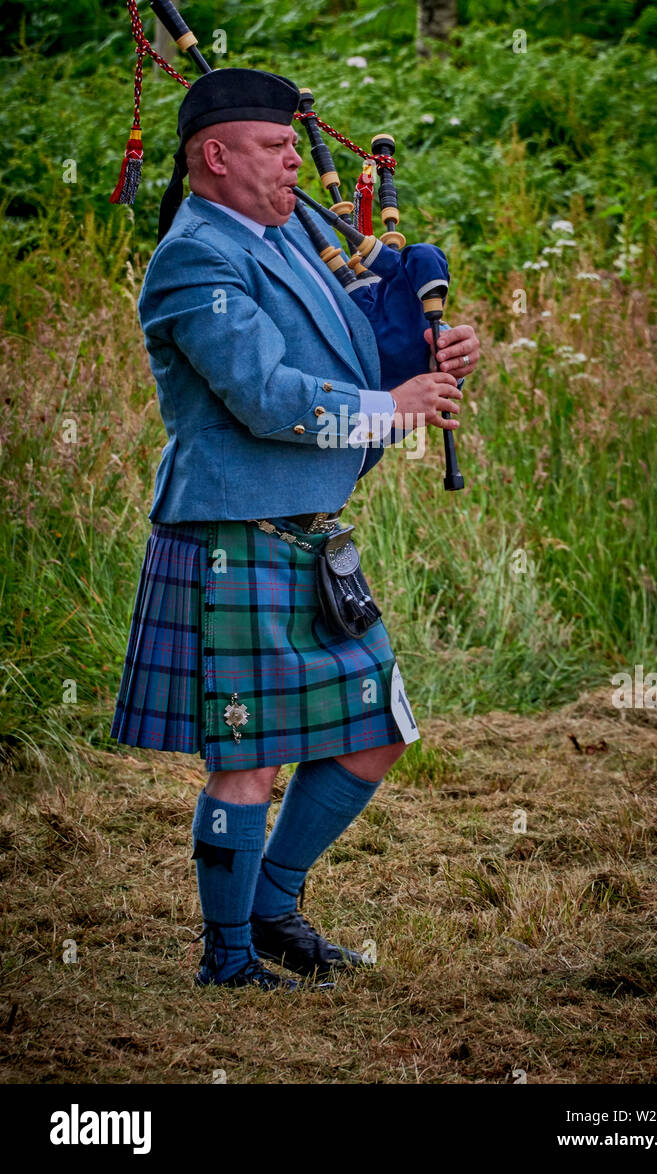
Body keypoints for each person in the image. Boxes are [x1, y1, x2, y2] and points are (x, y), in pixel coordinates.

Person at [112, 67, 481, 991]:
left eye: (290, 145)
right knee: (250, 762)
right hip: (233, 533)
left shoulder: (281, 238)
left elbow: (351, 341)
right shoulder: (195, 256)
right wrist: (384, 411)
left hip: (311, 533)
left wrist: (431, 355)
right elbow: (262, 396)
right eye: (278, 149)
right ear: (215, 155)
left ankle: (272, 906)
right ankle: (227, 959)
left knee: (376, 731)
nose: (295, 164)